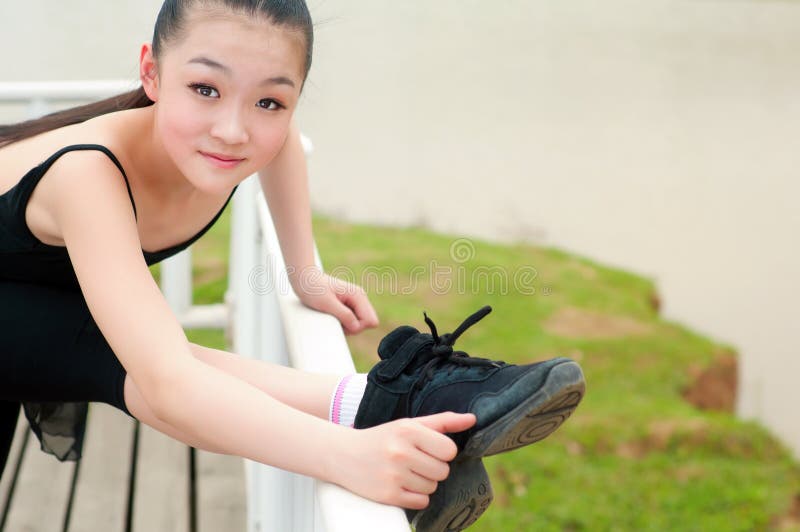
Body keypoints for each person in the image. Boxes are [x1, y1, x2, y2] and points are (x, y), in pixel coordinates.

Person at [0, 1, 585, 530]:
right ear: (150, 71)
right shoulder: (86, 174)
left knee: (119, 349)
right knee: (135, 359)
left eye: (269, 100)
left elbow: (281, 144)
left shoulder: (239, 135)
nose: (233, 130)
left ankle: (382, 401)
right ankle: (377, 403)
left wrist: (305, 271)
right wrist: (346, 456)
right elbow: (169, 385)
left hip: (25, 307)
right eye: (205, 88)